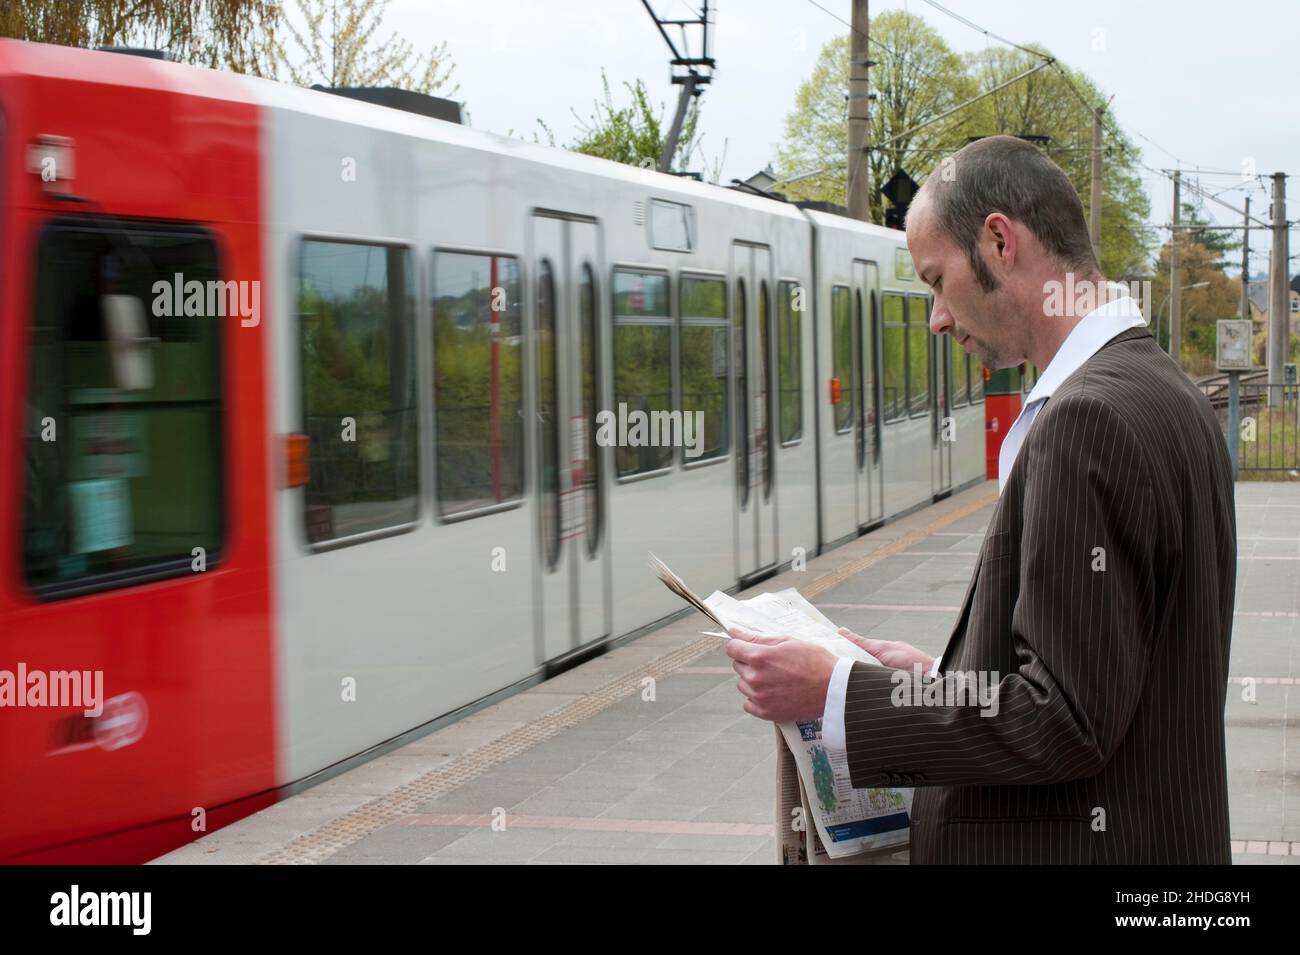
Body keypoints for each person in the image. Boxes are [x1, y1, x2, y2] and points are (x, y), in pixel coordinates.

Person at [727, 135, 1236, 864]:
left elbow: (1063, 719)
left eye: (937, 279)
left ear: (999, 241)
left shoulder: (1085, 420)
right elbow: (1103, 677)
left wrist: (837, 693)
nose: (936, 317)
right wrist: (932, 682)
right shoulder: (1167, 392)